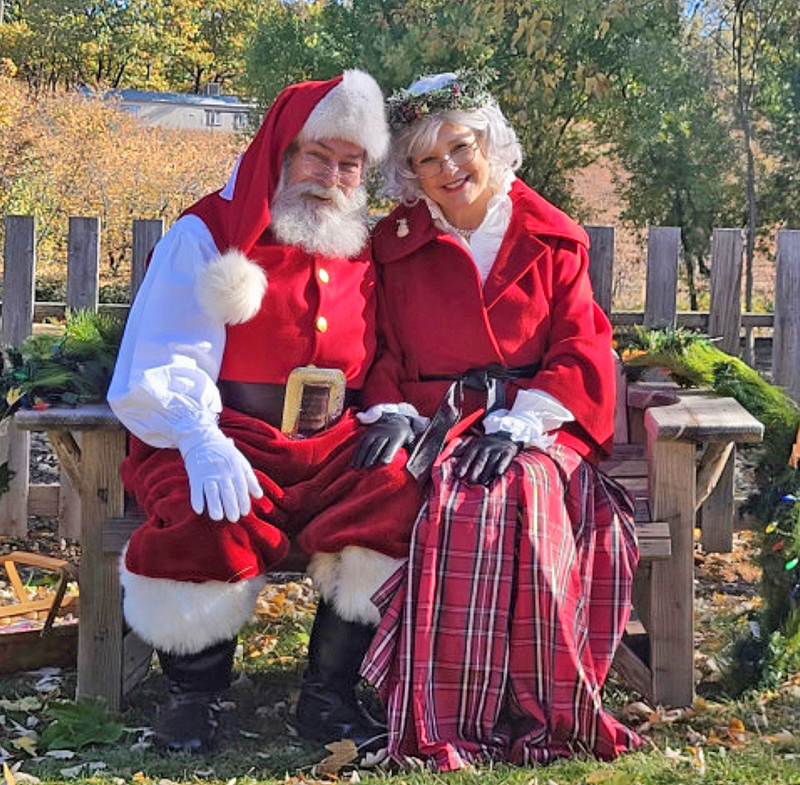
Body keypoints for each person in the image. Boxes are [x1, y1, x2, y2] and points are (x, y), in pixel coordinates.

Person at [107, 70, 421, 754]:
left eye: (350, 163)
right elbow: (163, 353)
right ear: (283, 150)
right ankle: (195, 698)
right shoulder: (208, 232)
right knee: (201, 508)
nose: (332, 176)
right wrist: (198, 436)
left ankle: (328, 696)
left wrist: (389, 409)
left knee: (394, 497)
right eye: (318, 156)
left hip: (331, 441)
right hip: (224, 432)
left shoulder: (364, 245)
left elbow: (391, 347)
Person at [353, 71, 642, 769]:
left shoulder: (553, 237)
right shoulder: (392, 244)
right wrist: (388, 406)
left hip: (539, 419)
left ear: (490, 142)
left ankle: (542, 705)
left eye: (459, 147)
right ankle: (447, 710)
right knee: (455, 496)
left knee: (522, 490)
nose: (449, 169)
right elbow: (379, 343)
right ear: (409, 171)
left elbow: (581, 346)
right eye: (427, 158)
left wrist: (523, 422)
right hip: (436, 421)